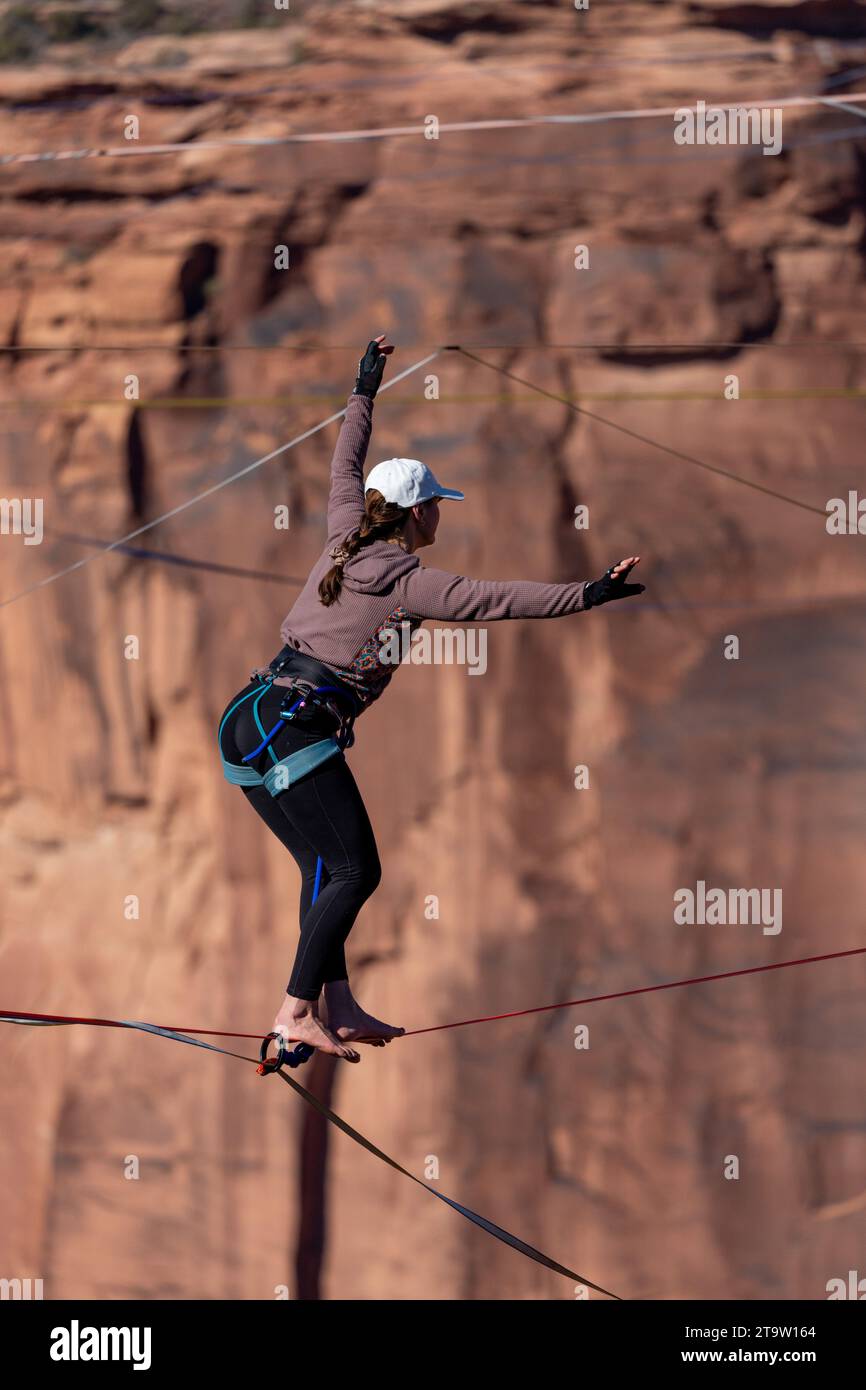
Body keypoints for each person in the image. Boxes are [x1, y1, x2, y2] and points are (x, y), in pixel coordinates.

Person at [218, 336, 645, 1063]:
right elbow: (499, 599)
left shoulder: (344, 531)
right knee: (358, 871)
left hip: (246, 722)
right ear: (417, 515)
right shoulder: (411, 580)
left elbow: (345, 461)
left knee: (325, 869)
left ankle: (338, 1005)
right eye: (437, 507)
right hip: (292, 727)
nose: (441, 518)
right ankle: (296, 1011)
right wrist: (592, 592)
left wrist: (365, 385)